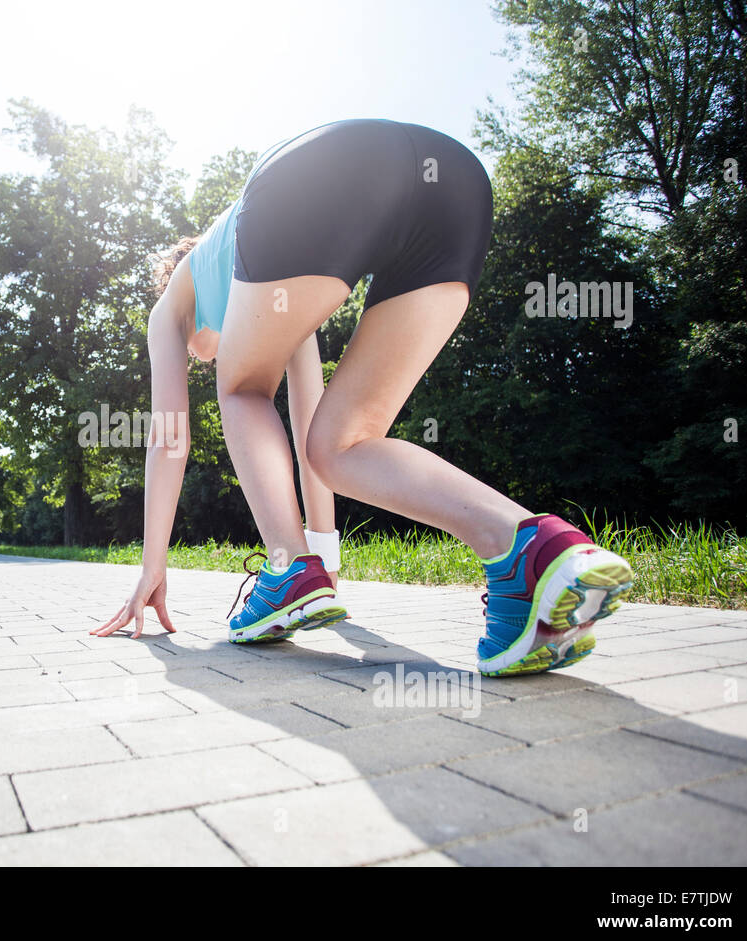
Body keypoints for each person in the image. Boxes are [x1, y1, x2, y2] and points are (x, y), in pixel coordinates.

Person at [92, 119, 633, 676]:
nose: (200, 355)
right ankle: (530, 551)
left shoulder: (174, 303)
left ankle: (285, 572)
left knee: (240, 388)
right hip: (450, 181)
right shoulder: (271, 291)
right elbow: (310, 418)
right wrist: (322, 558)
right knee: (343, 442)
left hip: (315, 175)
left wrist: (152, 565)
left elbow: (169, 440)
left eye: (197, 352)